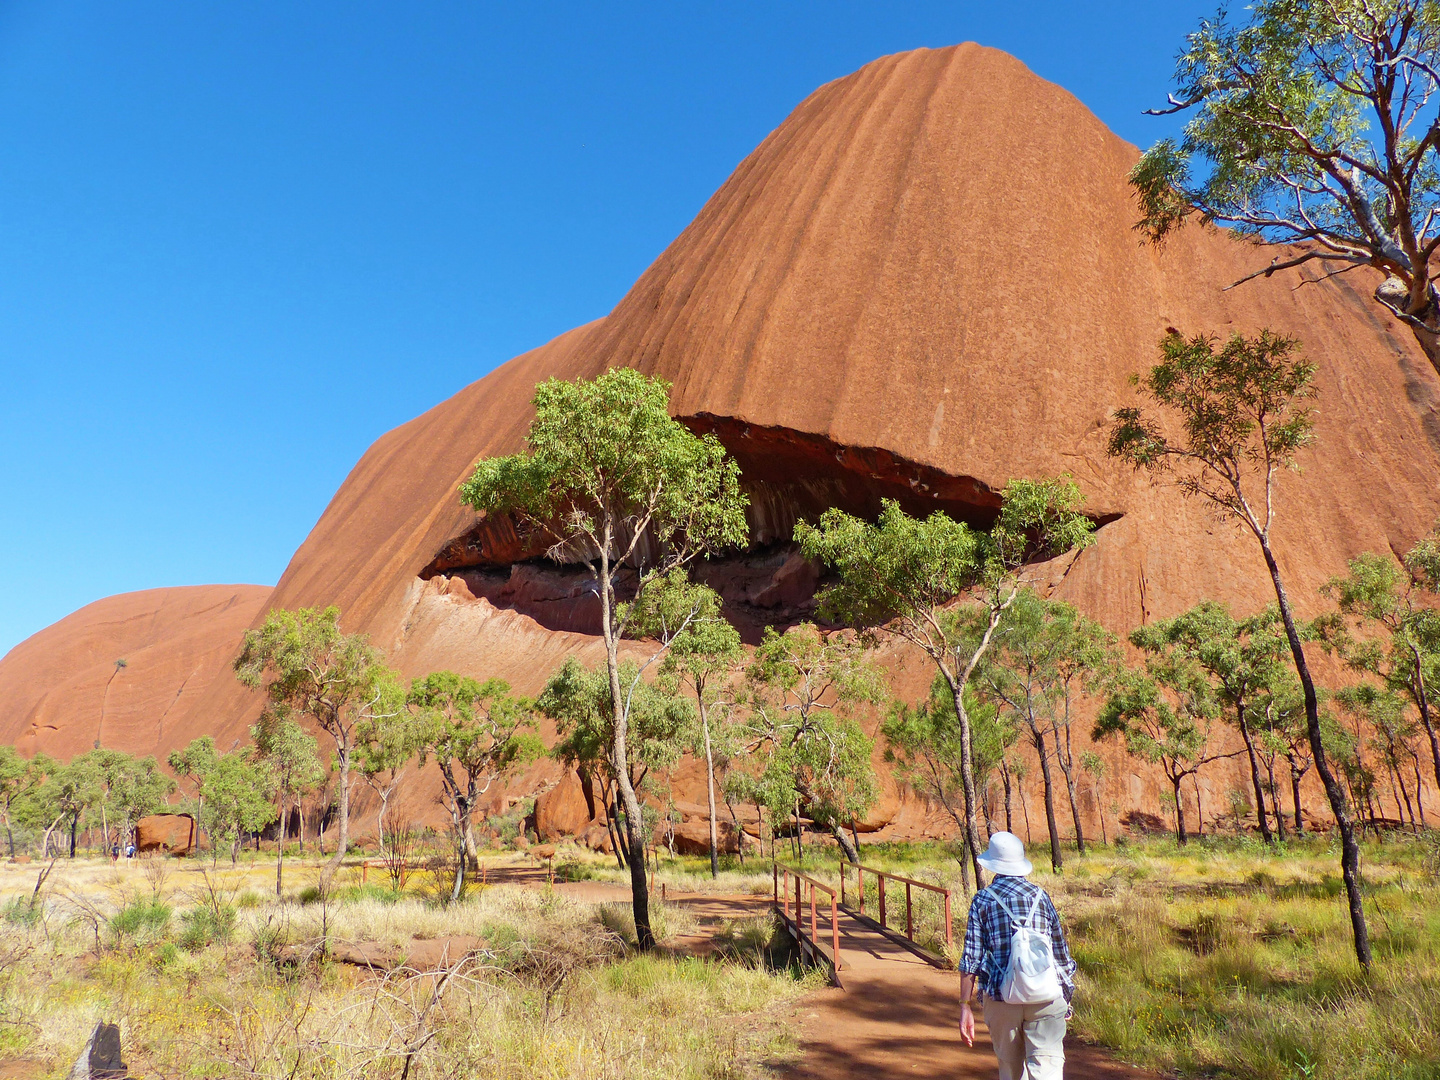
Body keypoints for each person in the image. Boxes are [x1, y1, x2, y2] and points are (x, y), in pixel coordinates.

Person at [958, 832, 1077, 1080]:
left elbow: (971, 958)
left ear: (993, 864)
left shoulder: (982, 900)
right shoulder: (1041, 897)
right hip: (1045, 996)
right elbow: (1060, 954)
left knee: (1010, 1070)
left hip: (1002, 999)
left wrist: (964, 1006)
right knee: (1048, 1071)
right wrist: (1066, 995)